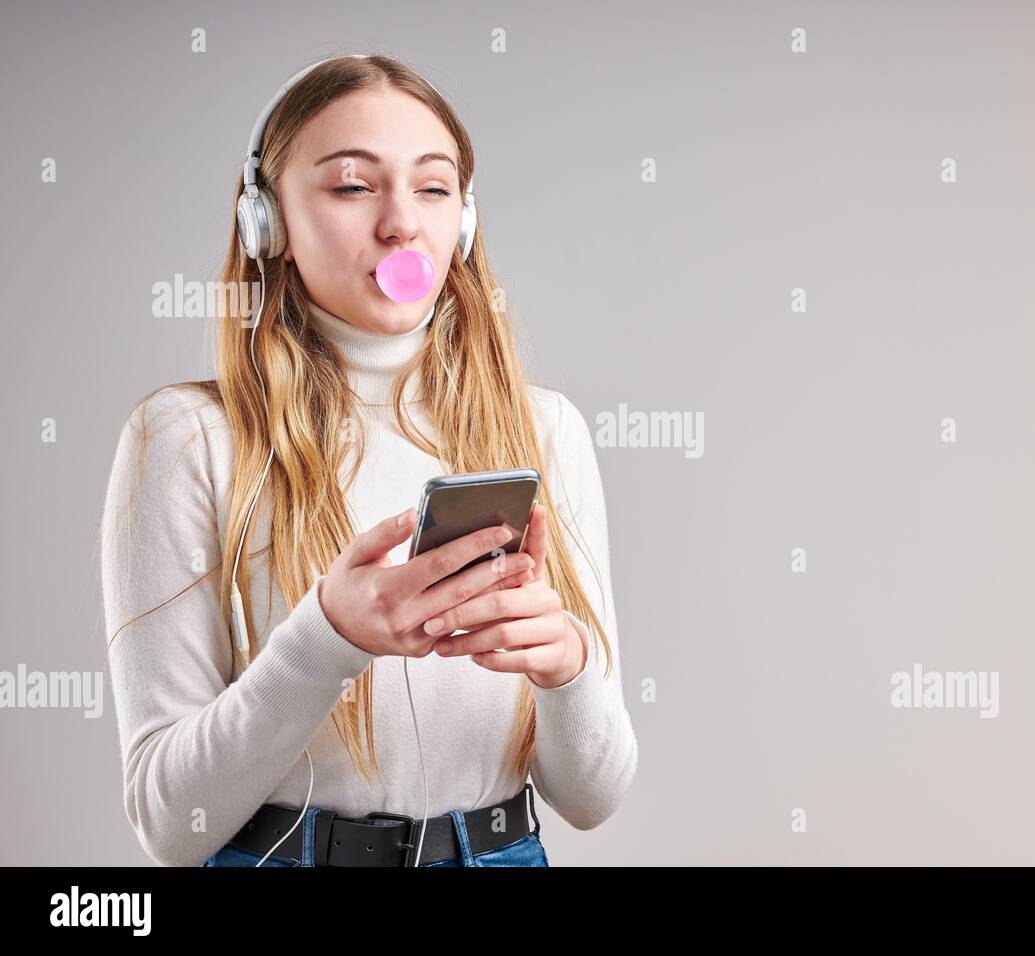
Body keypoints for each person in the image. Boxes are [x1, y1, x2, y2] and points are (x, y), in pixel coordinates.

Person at [98, 53, 637, 867]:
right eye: (353, 186)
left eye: (432, 187)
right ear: (266, 224)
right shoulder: (185, 440)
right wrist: (327, 636)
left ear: (463, 222)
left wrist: (566, 668)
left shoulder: (546, 431)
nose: (401, 223)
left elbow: (593, 800)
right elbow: (173, 829)